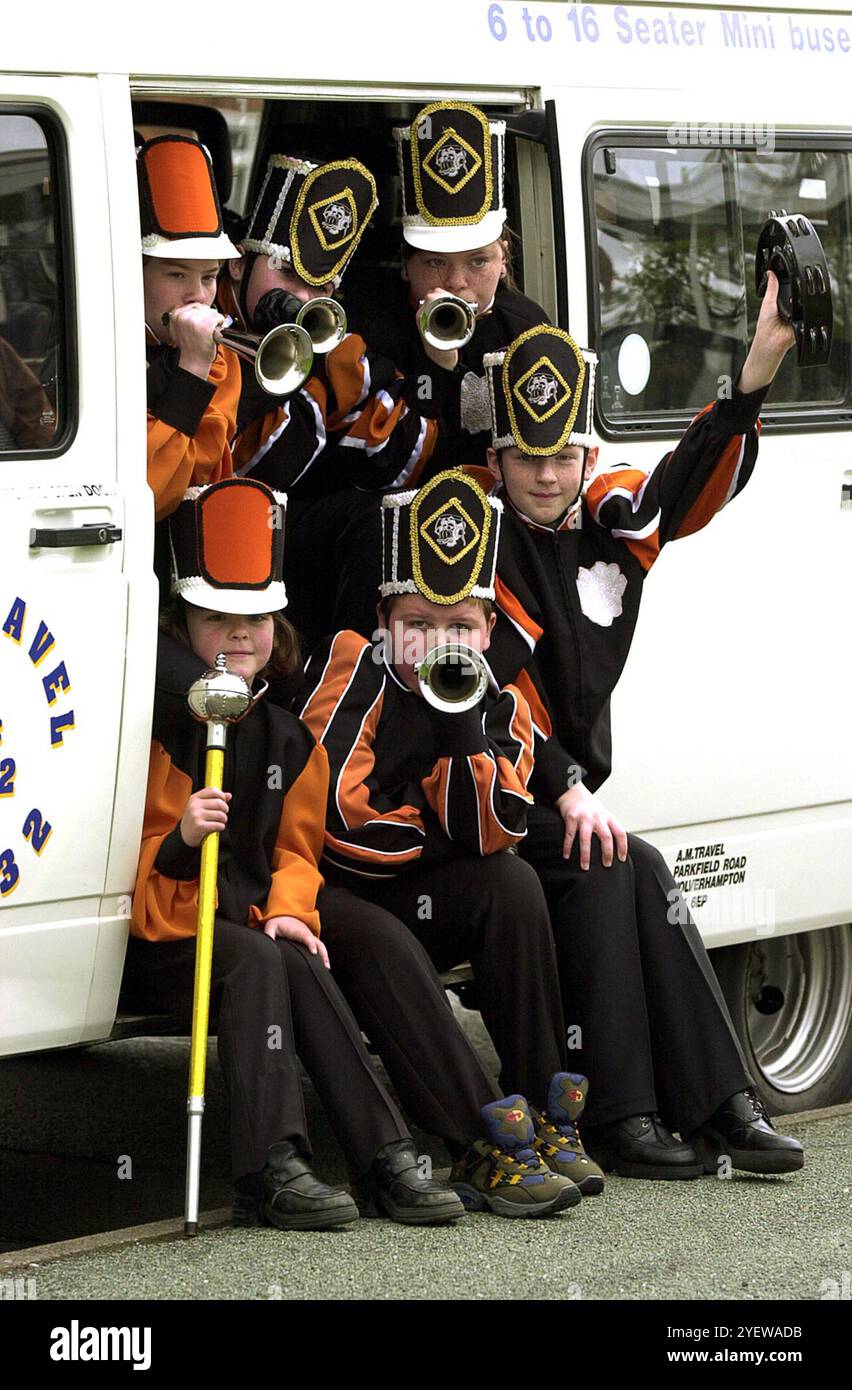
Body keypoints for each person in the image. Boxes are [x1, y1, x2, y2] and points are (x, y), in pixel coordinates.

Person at [474, 281, 804, 1177]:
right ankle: (621, 1115)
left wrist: (754, 376)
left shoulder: (605, 509)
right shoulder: (468, 530)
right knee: (611, 862)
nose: (547, 476)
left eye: (564, 456)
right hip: (477, 791)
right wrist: (563, 784)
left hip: (558, 793)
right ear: (496, 454)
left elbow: (680, 487)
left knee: (638, 864)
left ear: (585, 451)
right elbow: (471, 687)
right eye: (526, 456)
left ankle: (723, 1102)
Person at [124, 475, 465, 1229]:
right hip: (165, 935)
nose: (238, 635)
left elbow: (298, 852)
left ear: (279, 629)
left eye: (254, 619)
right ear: (183, 630)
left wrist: (287, 911)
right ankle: (269, 1167)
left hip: (241, 925)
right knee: (252, 958)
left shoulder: (290, 737)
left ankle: (384, 1156)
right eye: (216, 619)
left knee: (292, 951)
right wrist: (184, 837)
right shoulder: (158, 729)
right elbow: (146, 892)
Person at [299, 467, 605, 1210]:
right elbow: (342, 828)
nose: (441, 643)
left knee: (513, 885)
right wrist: (440, 837)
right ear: (384, 622)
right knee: (382, 935)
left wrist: (458, 722)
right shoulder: (352, 667)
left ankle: (540, 1115)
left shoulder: (498, 702)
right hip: (331, 893)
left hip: (418, 880)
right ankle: (479, 1143)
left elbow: (493, 830)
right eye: (420, 625)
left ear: (488, 631)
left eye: (460, 627)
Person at [224, 152, 441, 650]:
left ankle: (348, 671)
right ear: (238, 263)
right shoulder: (204, 316)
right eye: (286, 275)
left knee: (377, 517)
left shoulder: (336, 343)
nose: (300, 300)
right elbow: (245, 468)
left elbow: (405, 464)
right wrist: (317, 394)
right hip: (210, 525)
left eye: (318, 286)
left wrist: (337, 377)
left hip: (285, 529)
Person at [344, 100, 550, 477]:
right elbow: (376, 467)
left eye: (477, 261)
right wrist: (436, 365)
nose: (456, 282)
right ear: (406, 266)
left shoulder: (526, 329)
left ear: (504, 259)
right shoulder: (368, 328)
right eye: (435, 262)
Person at [139, 135, 241, 524]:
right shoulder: (97, 345)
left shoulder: (218, 360)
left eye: (210, 277)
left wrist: (195, 367)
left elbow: (175, 483)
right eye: (177, 273)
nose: (197, 295)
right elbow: (143, 489)